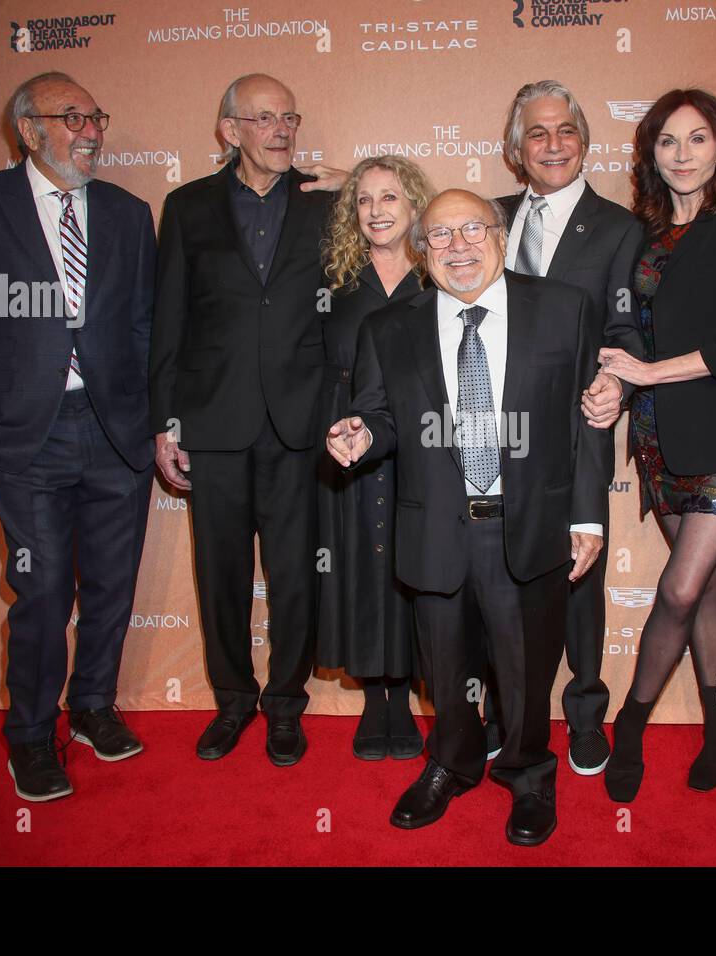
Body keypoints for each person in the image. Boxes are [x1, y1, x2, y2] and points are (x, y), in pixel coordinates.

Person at [326, 189, 612, 846]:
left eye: (471, 229)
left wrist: (589, 517)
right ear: (423, 252)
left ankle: (529, 773)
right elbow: (381, 416)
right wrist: (361, 436)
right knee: (447, 670)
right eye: (440, 236)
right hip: (435, 528)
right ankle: (450, 764)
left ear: (500, 234)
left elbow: (586, 419)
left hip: (529, 523)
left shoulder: (563, 310)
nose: (458, 246)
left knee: (524, 670)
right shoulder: (390, 328)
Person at [0, 72, 155, 801]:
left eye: (97, 116)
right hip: (23, 436)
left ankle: (91, 707)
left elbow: (147, 326)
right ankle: (30, 734)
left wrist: (154, 421)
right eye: (72, 118)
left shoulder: (127, 211)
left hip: (116, 429)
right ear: (29, 130)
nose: (91, 131)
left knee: (113, 587)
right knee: (45, 589)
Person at [596, 89, 716, 802]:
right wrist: (617, 374)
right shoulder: (641, 232)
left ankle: (630, 726)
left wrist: (646, 372)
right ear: (651, 153)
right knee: (702, 588)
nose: (681, 154)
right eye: (668, 141)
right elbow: (629, 328)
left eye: (697, 139)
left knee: (677, 588)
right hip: (657, 433)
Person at [150, 74, 332, 766]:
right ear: (230, 130)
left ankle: (286, 704)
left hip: (300, 424)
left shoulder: (325, 203)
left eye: (289, 117)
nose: (282, 130)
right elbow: (170, 319)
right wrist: (165, 421)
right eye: (264, 119)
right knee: (219, 572)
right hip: (212, 420)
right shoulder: (187, 206)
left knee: (294, 574)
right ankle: (233, 701)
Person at [483, 80, 645, 776]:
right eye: (538, 134)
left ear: (584, 141)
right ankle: (504, 712)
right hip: (488, 433)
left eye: (565, 131)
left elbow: (626, 325)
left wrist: (620, 381)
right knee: (491, 577)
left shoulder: (617, 227)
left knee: (579, 577)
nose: (553, 144)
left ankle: (584, 711)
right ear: (517, 149)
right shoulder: (485, 218)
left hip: (577, 427)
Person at [317, 156, 435, 760]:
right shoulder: (337, 280)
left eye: (390, 198)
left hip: (421, 440)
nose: (376, 211)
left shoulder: (439, 272)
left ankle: (407, 696)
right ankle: (376, 701)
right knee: (362, 565)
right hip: (351, 439)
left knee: (412, 566)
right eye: (363, 200)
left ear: (416, 206)